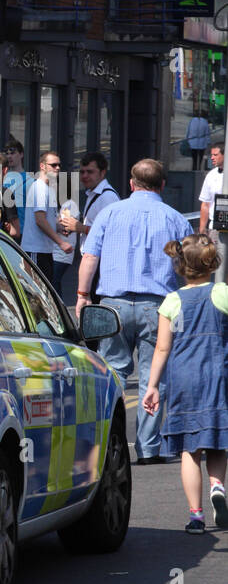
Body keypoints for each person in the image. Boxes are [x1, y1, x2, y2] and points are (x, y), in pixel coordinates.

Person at [76, 159, 194, 464]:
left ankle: (106, 444)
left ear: (131, 184)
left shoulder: (109, 213)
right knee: (154, 379)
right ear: (163, 185)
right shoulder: (176, 219)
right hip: (158, 307)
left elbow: (90, 257)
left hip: (113, 304)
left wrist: (82, 295)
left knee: (112, 374)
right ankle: (148, 447)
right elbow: (186, 268)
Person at [142, 234, 228, 534]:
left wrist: (152, 385)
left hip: (183, 380)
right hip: (218, 375)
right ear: (212, 262)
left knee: (190, 450)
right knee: (217, 442)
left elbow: (162, 348)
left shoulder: (171, 301)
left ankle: (196, 516)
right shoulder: (222, 293)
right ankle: (218, 486)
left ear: (180, 266)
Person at [59, 152, 119, 300]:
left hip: (100, 262)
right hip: (93, 259)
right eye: (82, 172)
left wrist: (81, 228)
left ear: (103, 172)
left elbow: (113, 233)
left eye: (90, 172)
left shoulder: (107, 197)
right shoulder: (93, 194)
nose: (85, 176)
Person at [19, 151, 71, 277]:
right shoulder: (40, 188)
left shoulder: (48, 188)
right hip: (35, 250)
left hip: (44, 251)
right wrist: (61, 242)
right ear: (42, 166)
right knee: (38, 293)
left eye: (59, 165)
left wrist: (59, 227)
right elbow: (40, 220)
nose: (57, 168)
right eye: (53, 165)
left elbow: (45, 219)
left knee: (45, 293)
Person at [197, 141, 225, 280]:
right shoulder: (211, 175)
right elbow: (205, 204)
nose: (212, 158)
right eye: (211, 155)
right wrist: (203, 230)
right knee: (213, 265)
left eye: (215, 155)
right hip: (215, 227)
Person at [1, 139, 32, 242]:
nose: (9, 156)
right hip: (4, 231)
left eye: (13, 153)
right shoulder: (2, 178)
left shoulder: (31, 181)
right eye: (7, 154)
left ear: (21, 154)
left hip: (23, 233)